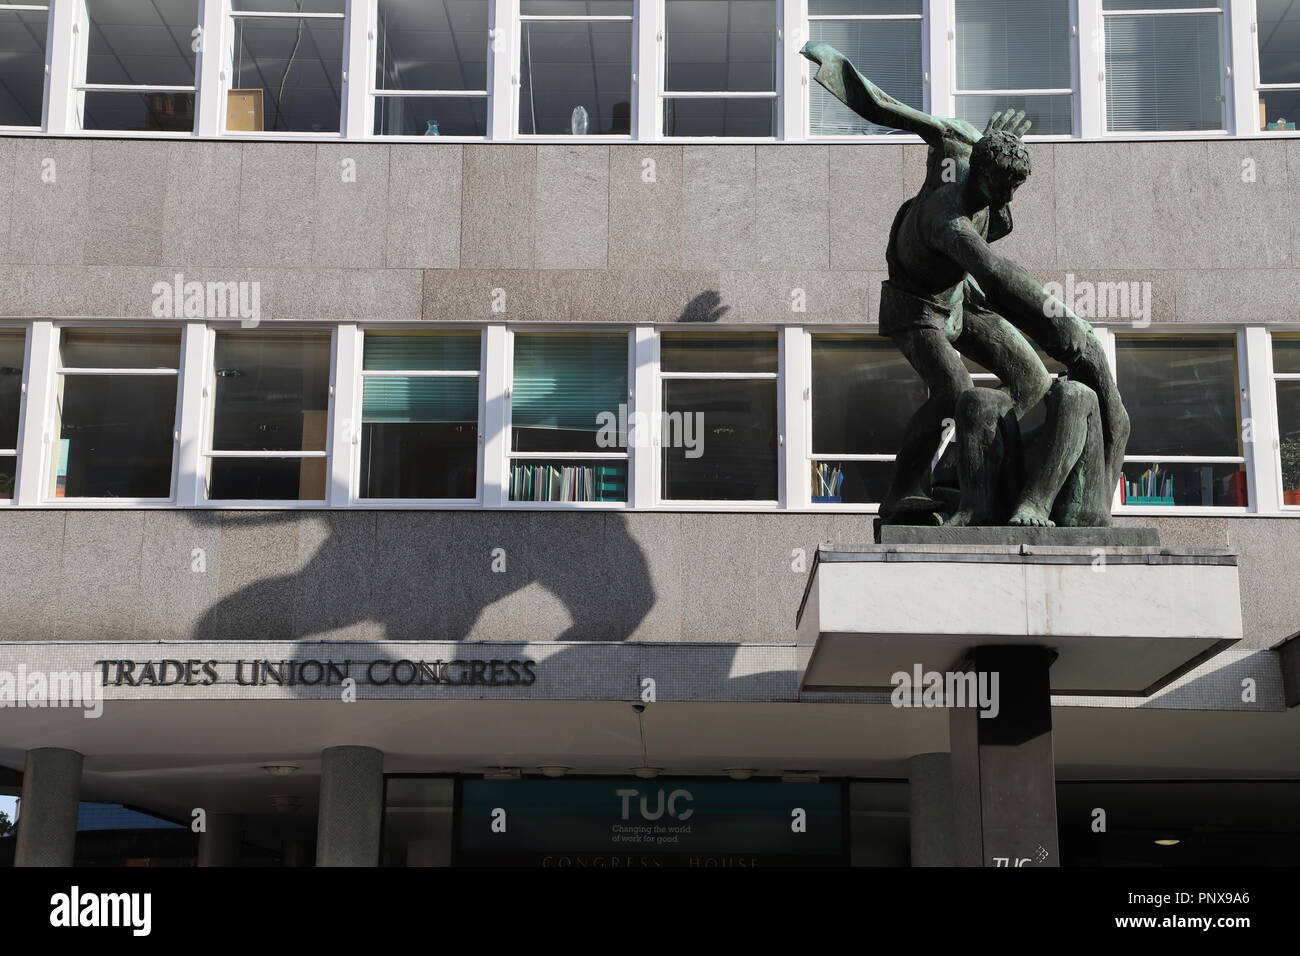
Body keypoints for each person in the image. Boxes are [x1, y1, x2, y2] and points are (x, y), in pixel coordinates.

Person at [802, 41, 1129, 526]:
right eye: (1002, 190)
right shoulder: (947, 220)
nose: (1008, 199)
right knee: (952, 389)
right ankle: (904, 490)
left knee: (1034, 381)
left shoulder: (975, 144)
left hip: (959, 297)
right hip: (916, 309)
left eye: (1014, 190)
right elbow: (996, 276)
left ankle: (983, 470)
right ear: (980, 172)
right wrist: (838, 71)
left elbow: (988, 267)